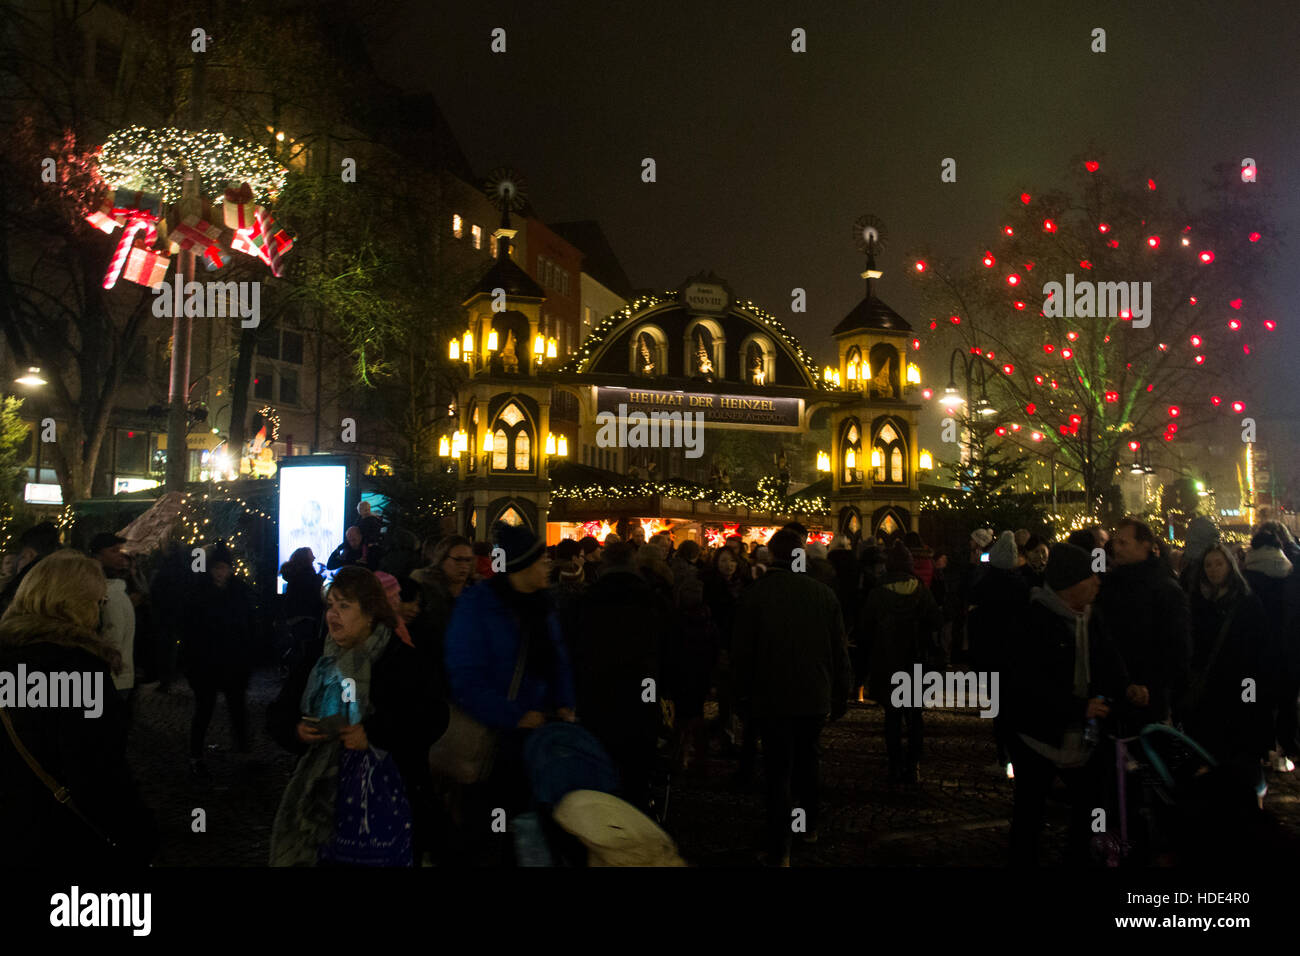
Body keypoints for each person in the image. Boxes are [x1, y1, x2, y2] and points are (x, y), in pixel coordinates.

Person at [268, 566, 447, 866]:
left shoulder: (400, 659)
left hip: (390, 799)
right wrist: (297, 731)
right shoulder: (318, 658)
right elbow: (278, 713)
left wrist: (374, 733)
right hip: (322, 803)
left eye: (345, 606)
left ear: (370, 614)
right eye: (330, 605)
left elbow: (433, 717)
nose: (333, 614)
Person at [0, 550, 157, 865]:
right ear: (77, 604)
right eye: (99, 602)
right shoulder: (80, 671)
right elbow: (99, 773)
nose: (100, 613)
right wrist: (140, 837)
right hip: (60, 838)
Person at [443, 522, 576, 847]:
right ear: (522, 566)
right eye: (541, 560)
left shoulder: (542, 606)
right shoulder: (479, 606)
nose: (547, 566)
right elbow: (464, 674)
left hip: (539, 730)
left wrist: (565, 702)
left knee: (534, 819)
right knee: (493, 822)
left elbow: (557, 659)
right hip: (496, 736)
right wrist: (511, 715)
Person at [732, 529, 852, 866]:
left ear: (770, 557)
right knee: (807, 763)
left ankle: (780, 847)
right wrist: (841, 692)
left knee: (778, 772)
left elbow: (742, 653)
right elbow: (838, 651)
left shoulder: (755, 595)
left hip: (771, 698)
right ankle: (808, 826)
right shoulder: (823, 595)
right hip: (813, 696)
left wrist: (740, 697)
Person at [1004, 543, 1129, 866]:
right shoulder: (1033, 621)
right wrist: (1078, 707)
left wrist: (1122, 692)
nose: (1098, 583)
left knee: (1090, 811)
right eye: (1091, 577)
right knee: (1030, 813)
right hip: (1037, 737)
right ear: (1071, 584)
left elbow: (1111, 667)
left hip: (1085, 737)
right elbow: (1027, 688)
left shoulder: (1093, 618)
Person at [564, 542, 670, 810]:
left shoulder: (585, 601)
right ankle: (635, 826)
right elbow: (669, 650)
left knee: (599, 768)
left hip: (596, 697)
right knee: (636, 772)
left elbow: (572, 651)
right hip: (642, 696)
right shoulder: (653, 600)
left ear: (604, 566)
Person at [1183, 544, 1273, 805]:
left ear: (1230, 566)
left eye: (1218, 564)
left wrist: (1254, 692)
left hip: (1241, 685)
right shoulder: (1197, 601)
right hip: (1210, 691)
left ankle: (1247, 799)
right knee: (1212, 749)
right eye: (1208, 565)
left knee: (1241, 746)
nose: (1213, 570)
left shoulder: (1246, 601)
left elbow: (1259, 646)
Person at [861, 541, 943, 785]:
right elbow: (936, 623)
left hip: (887, 662)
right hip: (915, 661)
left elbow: (866, 628)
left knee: (893, 717)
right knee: (915, 716)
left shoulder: (877, 592)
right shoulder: (920, 590)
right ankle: (913, 764)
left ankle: (895, 763)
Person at [1097, 517, 1191, 732]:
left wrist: (1156, 687)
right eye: (1116, 542)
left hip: (1150, 698)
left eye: (1124, 543)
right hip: (1114, 693)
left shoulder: (1164, 588)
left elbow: (1177, 648)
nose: (1117, 549)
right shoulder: (1109, 585)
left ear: (1145, 545)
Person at [183, 543, 258, 781]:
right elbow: (190, 632)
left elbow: (248, 625)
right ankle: (196, 756)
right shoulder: (199, 593)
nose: (220, 572)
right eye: (217, 567)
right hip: (206, 663)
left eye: (224, 567)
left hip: (233, 662)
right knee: (204, 709)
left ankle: (244, 753)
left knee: (237, 708)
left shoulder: (238, 591)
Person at [967, 531, 1030, 771]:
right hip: (1015, 656)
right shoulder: (1022, 586)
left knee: (1000, 709)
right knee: (1014, 709)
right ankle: (1015, 758)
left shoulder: (984, 584)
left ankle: (1003, 757)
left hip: (992, 654)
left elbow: (975, 621)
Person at [89, 532, 136, 709]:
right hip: (115, 678)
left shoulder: (112, 595)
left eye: (120, 551)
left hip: (113, 678)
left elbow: (112, 637)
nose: (120, 556)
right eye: (114, 551)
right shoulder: (110, 592)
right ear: (98, 556)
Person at [0, 521, 61, 615]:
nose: (15, 564)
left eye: (22, 557)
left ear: (29, 554)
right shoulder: (62, 577)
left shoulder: (23, 585)